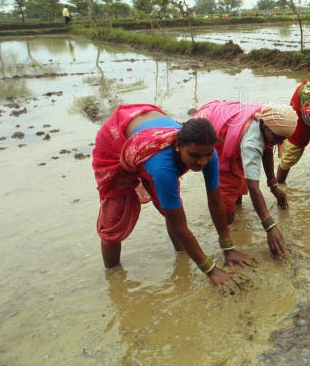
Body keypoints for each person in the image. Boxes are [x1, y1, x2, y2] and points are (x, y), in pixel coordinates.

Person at [92, 104, 247, 286]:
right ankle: (113, 278)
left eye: (206, 155)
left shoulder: (207, 154)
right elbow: (179, 225)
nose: (202, 161)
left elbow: (215, 202)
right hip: (116, 140)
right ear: (178, 146)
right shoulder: (163, 168)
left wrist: (228, 248)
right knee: (115, 218)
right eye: (194, 155)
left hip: (149, 127)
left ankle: (181, 256)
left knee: (169, 209)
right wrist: (210, 269)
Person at [194, 101, 297, 259]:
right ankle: (227, 239)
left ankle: (236, 210)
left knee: (240, 176)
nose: (278, 142)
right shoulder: (252, 142)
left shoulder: (267, 122)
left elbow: (267, 149)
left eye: (283, 139)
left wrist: (273, 185)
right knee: (227, 201)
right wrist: (270, 227)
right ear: (264, 126)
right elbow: (253, 186)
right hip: (211, 136)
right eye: (277, 138)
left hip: (227, 123)